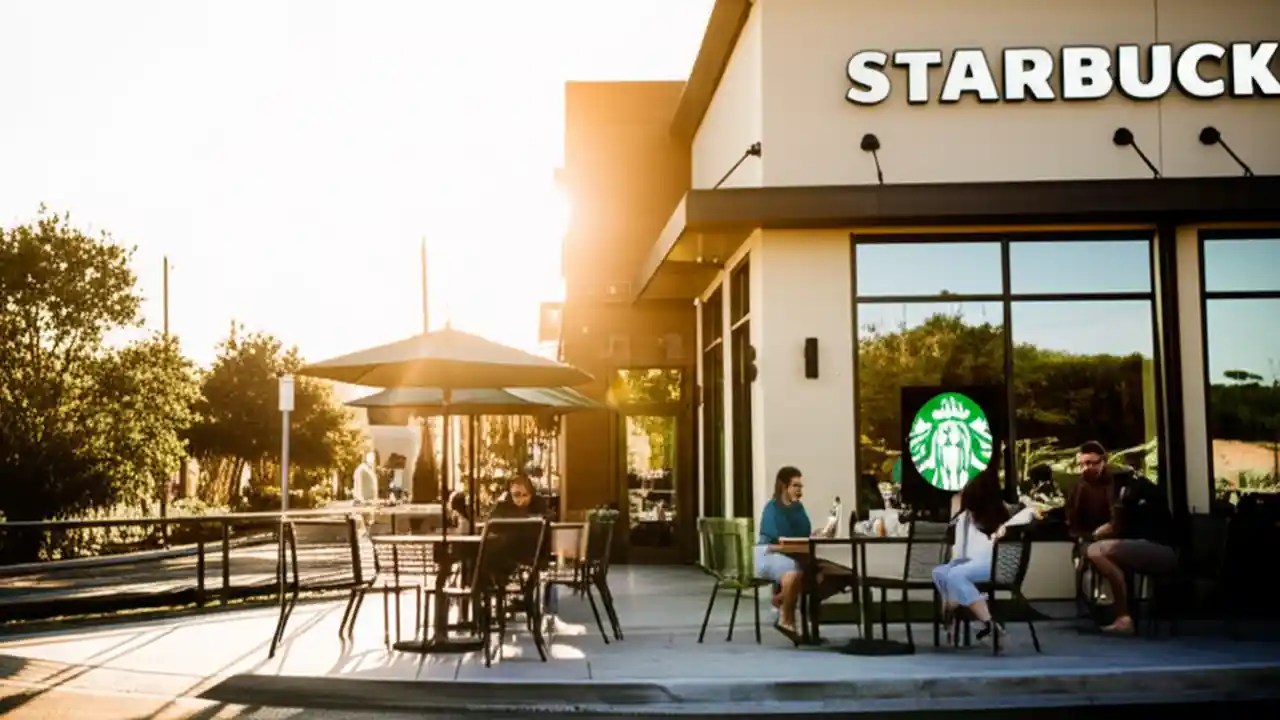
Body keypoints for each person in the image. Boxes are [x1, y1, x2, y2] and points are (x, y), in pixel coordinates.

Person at [1070, 441, 1177, 634]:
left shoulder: (1118, 484)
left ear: (1104, 462)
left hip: (1159, 548)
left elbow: (1116, 523)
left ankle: (1123, 616)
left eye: (1093, 463)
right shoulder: (1114, 485)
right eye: (1084, 464)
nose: (1088, 468)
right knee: (1100, 552)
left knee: (1096, 551)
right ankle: (1116, 610)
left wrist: (1097, 534)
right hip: (1151, 545)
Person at [933, 445, 1036, 643]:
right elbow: (959, 549)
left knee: (955, 575)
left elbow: (1029, 513)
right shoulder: (967, 517)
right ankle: (962, 608)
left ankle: (986, 621)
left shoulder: (996, 516)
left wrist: (1006, 528)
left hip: (991, 566)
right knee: (941, 572)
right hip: (973, 564)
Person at [755, 466, 817, 643]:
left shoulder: (798, 508)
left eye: (800, 486)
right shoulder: (772, 508)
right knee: (793, 571)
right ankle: (786, 619)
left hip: (791, 553)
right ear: (784, 487)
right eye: (795, 485)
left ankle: (781, 599)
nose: (799, 490)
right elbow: (778, 539)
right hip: (768, 552)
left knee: (819, 571)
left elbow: (805, 532)